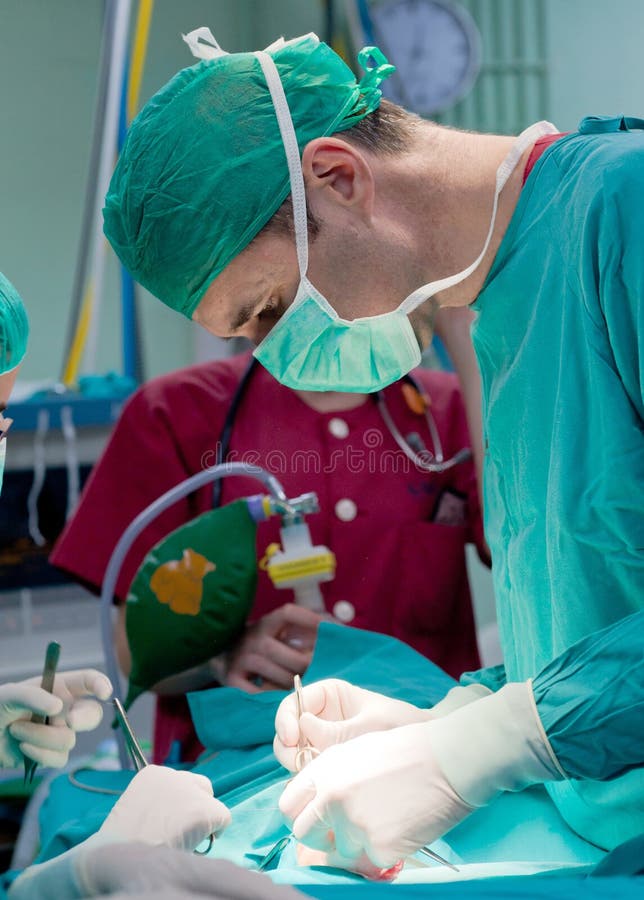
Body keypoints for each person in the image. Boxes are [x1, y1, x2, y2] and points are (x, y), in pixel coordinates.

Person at [100, 27, 643, 861]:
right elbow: (593, 623)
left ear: (338, 176)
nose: (274, 354)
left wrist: (490, 746)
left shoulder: (624, 212)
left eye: (270, 309)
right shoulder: (506, 308)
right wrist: (451, 721)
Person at [52, 327, 487, 765]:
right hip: (242, 774)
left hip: (429, 757)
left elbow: (527, 553)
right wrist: (221, 660)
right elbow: (134, 655)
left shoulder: (452, 412)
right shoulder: (176, 409)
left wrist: (465, 333)